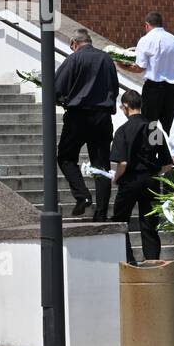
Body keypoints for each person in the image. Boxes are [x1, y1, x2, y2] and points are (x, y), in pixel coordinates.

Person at [54, 28, 120, 218]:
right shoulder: (106, 59)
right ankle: (101, 213)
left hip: (78, 116)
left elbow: (57, 88)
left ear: (74, 43)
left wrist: (63, 100)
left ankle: (82, 195)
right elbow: (114, 89)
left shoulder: (74, 59)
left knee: (66, 157)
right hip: (102, 118)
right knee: (101, 166)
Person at [110, 90, 174, 264]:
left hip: (129, 181)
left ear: (124, 107)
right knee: (149, 224)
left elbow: (122, 163)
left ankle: (129, 260)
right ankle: (152, 262)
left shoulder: (122, 131)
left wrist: (116, 178)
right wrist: (154, 171)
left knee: (120, 221)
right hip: (151, 181)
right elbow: (167, 163)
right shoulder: (154, 128)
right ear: (141, 105)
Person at [124, 12, 174, 136]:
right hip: (172, 89)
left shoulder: (146, 39)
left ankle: (149, 154)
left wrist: (120, 65)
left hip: (153, 88)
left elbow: (139, 67)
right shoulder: (173, 39)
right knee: (172, 126)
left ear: (147, 25)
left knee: (149, 125)